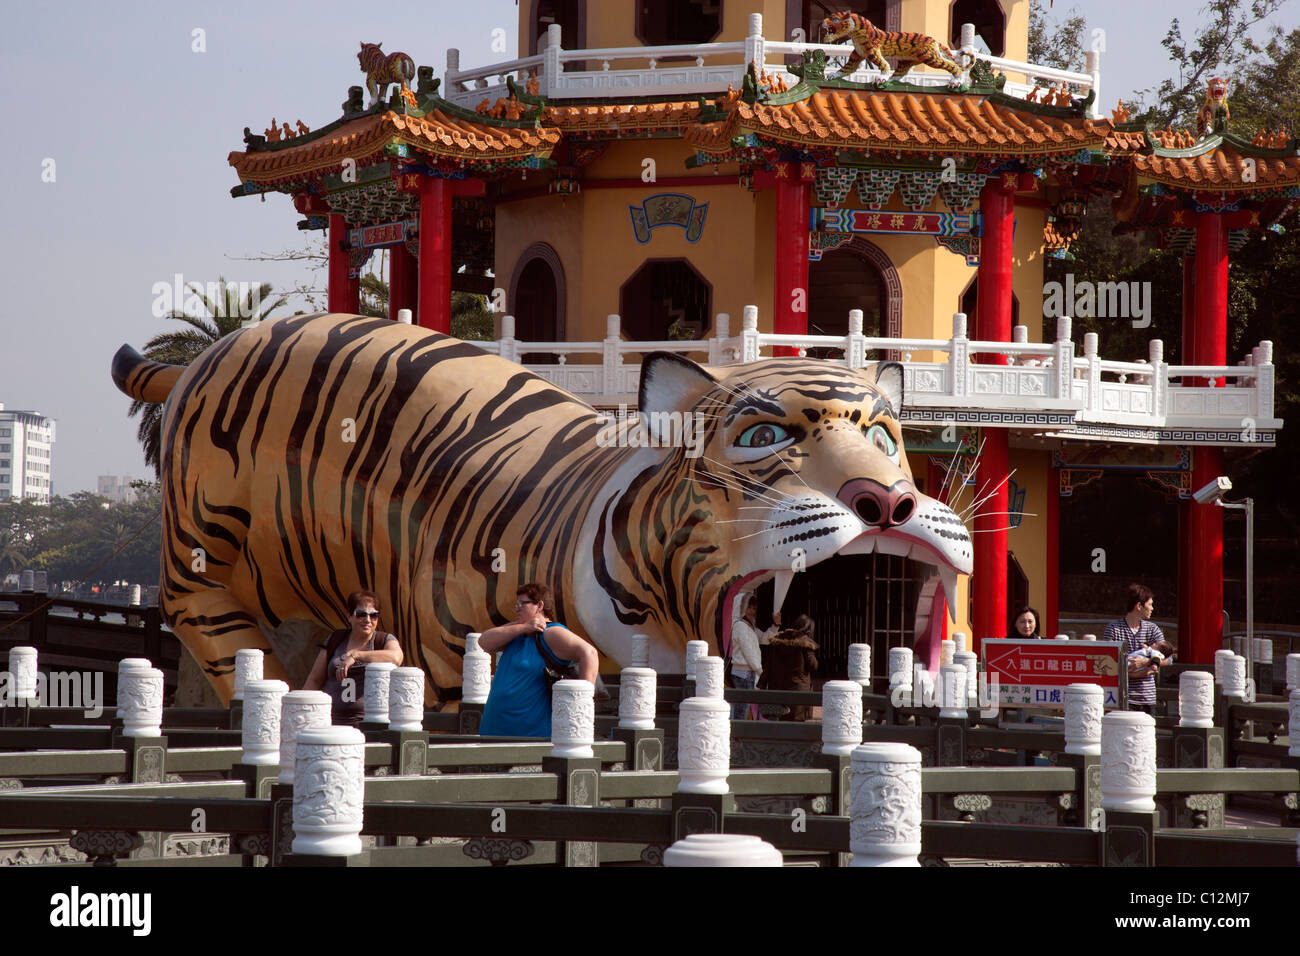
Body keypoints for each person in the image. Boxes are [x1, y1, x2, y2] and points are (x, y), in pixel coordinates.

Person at [478, 583, 598, 738]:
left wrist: (582, 703)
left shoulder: (550, 632)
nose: (517, 608)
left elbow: (589, 653)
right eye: (517, 603)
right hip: (494, 731)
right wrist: (523, 627)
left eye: (523, 603)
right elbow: (483, 641)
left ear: (540, 605)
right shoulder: (519, 631)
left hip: (529, 735)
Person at [303, 589, 404, 725]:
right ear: (349, 616)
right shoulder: (336, 639)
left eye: (373, 615)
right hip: (328, 721)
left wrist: (357, 655)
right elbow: (315, 680)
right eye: (361, 614)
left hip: (368, 724)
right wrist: (300, 708)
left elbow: (396, 657)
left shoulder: (383, 640)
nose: (367, 620)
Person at [1102, 584, 1170, 715]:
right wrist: (1139, 673)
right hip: (1120, 697)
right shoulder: (1113, 629)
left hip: (1147, 697)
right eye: (1150, 604)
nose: (1152, 608)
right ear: (1139, 606)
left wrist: (1145, 663)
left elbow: (1168, 659)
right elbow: (1108, 663)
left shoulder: (1152, 629)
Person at [758, 614, 818, 721]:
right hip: (799, 694)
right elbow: (813, 665)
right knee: (796, 727)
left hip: (777, 691)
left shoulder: (776, 640)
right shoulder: (805, 643)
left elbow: (768, 666)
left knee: (779, 723)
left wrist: (761, 685)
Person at [728, 594, 771, 720]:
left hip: (746, 672)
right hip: (742, 673)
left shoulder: (748, 626)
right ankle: (737, 736)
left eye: (753, 608)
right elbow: (749, 652)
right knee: (742, 708)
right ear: (741, 608)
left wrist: (775, 626)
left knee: (743, 706)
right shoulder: (740, 626)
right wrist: (760, 670)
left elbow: (764, 638)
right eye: (749, 608)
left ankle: (737, 736)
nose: (752, 611)